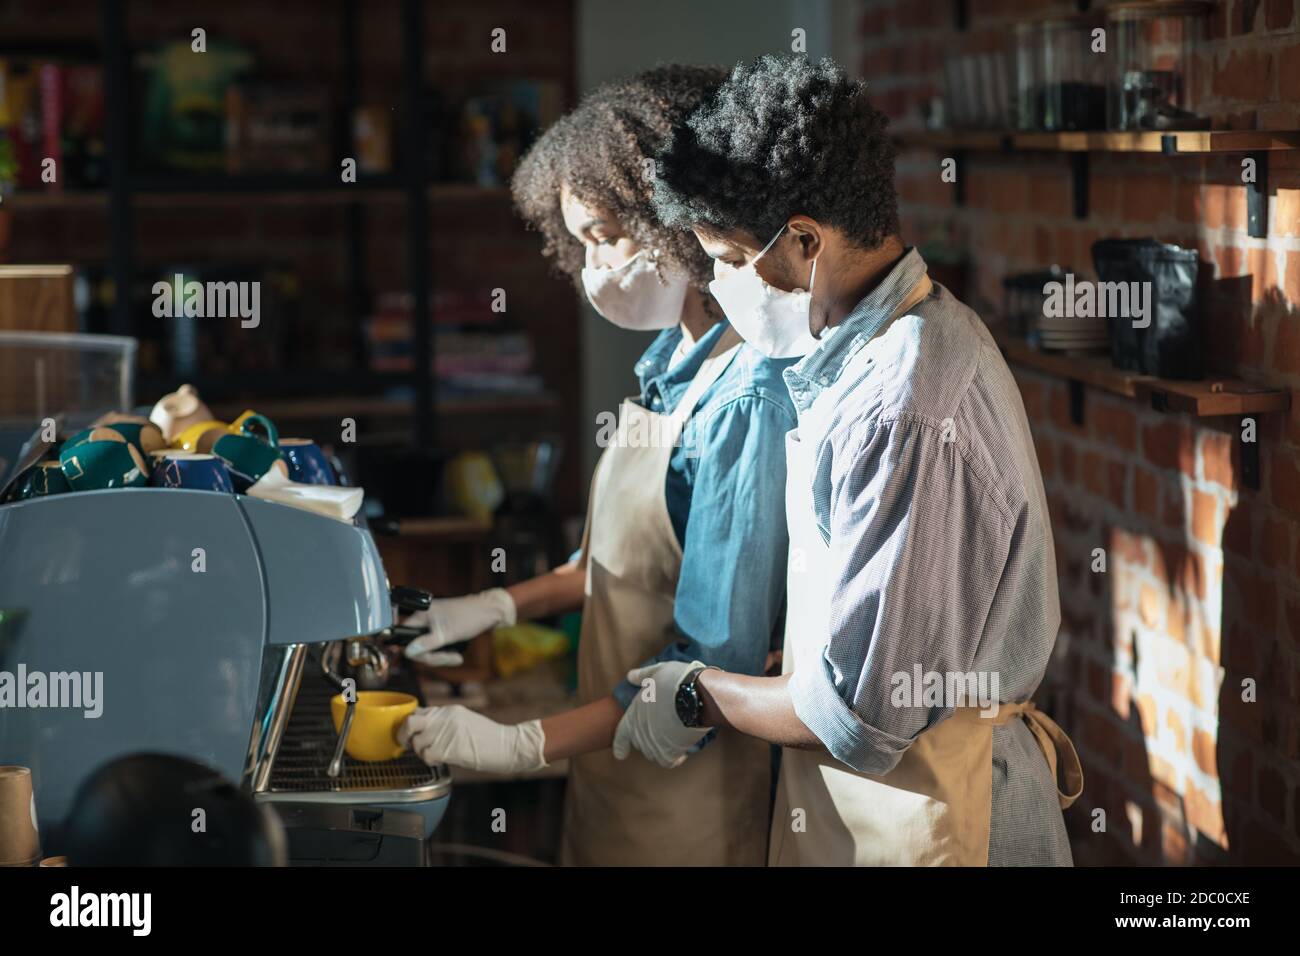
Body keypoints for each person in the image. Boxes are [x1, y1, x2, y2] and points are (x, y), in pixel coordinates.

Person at [614, 54, 1083, 866]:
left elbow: (861, 722)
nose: (721, 287)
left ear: (803, 240)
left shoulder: (898, 406)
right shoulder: (885, 342)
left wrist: (697, 692)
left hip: (947, 819)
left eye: (728, 260)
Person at [397, 66, 796, 866]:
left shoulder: (743, 400)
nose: (593, 268)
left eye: (606, 238)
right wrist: (489, 606)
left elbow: (709, 663)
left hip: (691, 793)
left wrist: (520, 745)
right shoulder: (669, 365)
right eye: (577, 245)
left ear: (677, 219)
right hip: (609, 769)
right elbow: (623, 560)